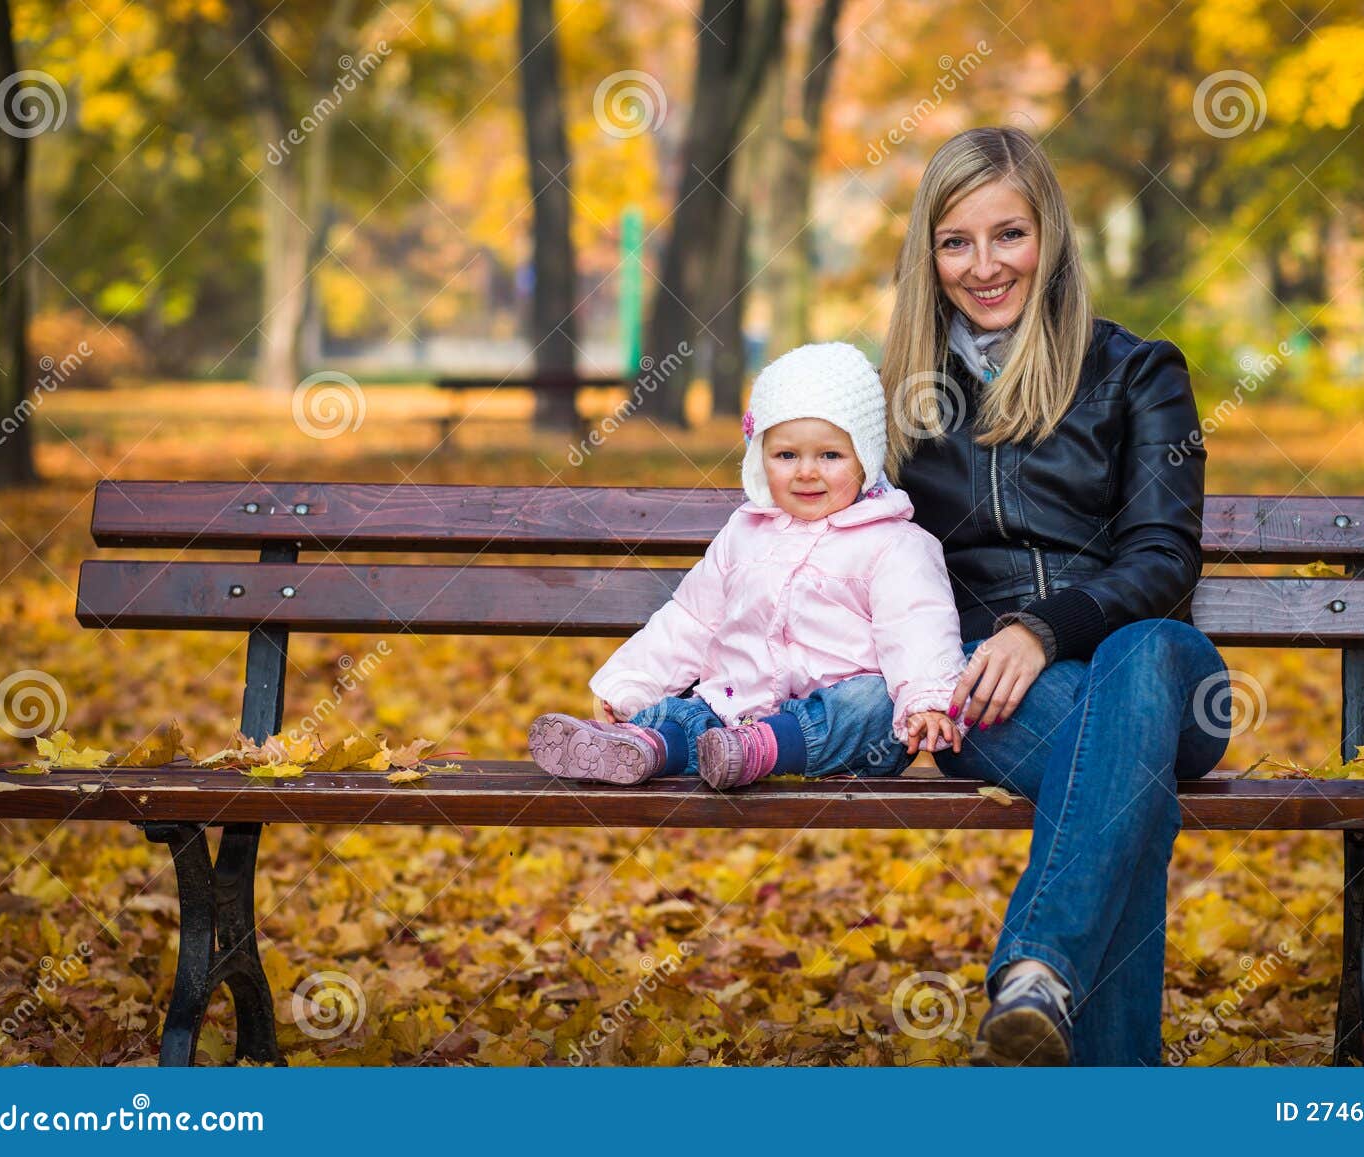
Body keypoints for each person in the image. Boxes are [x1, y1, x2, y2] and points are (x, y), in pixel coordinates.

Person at [881, 126, 1233, 1066]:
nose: (984, 265)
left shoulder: (1138, 370)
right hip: (990, 702)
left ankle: (1039, 954)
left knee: (1143, 652)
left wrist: (1044, 629)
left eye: (1009, 235)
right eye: (956, 241)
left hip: (1163, 682)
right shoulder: (901, 398)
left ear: (1052, 237)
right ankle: (1064, 1021)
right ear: (930, 254)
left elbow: (1164, 557)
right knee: (1128, 787)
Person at [528, 342, 968, 791]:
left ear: (866, 457)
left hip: (838, 730)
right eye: (786, 455)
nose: (807, 472)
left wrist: (927, 700)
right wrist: (631, 683)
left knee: (870, 702)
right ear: (761, 456)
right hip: (735, 710)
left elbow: (918, 626)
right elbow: (691, 619)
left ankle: (759, 748)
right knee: (692, 713)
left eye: (830, 455)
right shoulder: (745, 533)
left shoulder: (895, 544)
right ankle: (644, 746)